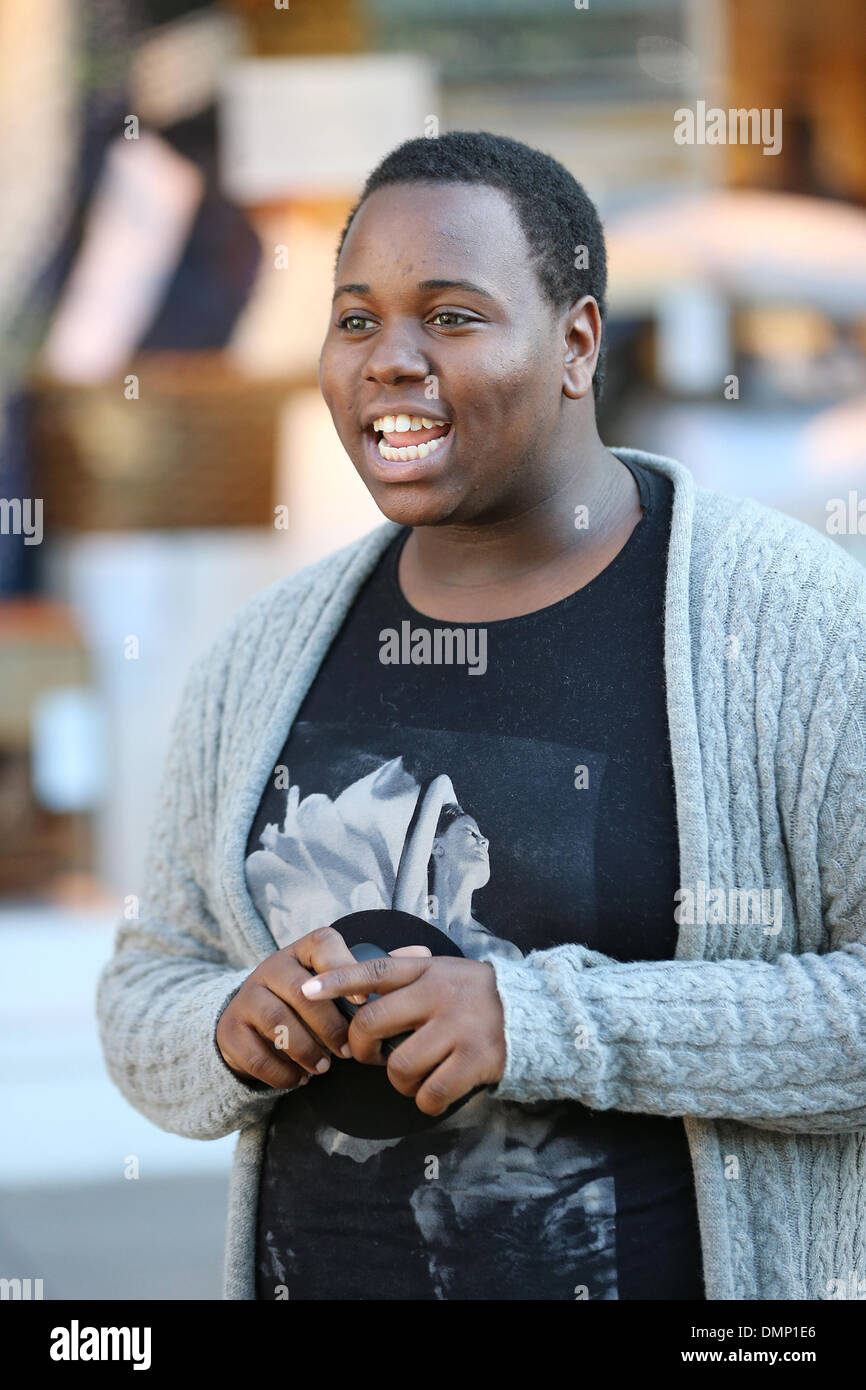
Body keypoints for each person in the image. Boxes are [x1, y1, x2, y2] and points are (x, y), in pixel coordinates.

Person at [96, 131, 866, 1302]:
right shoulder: (264, 656)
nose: (388, 359)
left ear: (575, 343)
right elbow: (150, 979)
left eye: (449, 316)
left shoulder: (785, 624)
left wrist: (540, 1019)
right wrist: (226, 1029)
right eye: (356, 320)